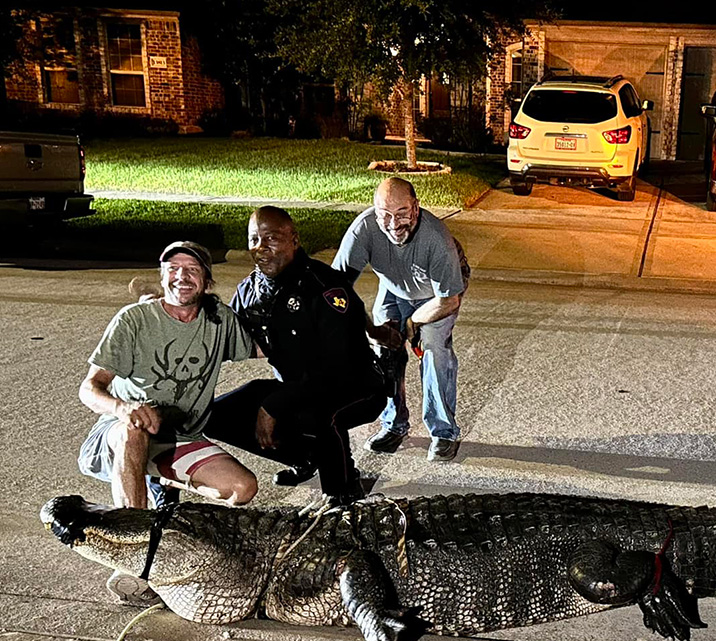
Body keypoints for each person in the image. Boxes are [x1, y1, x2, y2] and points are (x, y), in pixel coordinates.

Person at [205, 206, 385, 506]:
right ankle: (307, 456)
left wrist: (273, 405)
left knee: (319, 414)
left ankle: (343, 488)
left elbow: (336, 370)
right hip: (295, 388)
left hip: (355, 386)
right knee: (213, 416)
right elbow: (224, 340)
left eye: (271, 238)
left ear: (294, 240)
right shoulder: (250, 290)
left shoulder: (324, 286)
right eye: (253, 240)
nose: (261, 248)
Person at [78, 241, 258, 511]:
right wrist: (123, 408)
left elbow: (265, 346)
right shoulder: (133, 320)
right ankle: (133, 527)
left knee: (242, 488)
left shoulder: (220, 320)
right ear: (162, 277)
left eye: (192, 269)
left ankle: (162, 479)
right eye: (173, 269)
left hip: (178, 437)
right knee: (134, 432)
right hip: (120, 435)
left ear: (207, 280)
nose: (182, 277)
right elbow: (89, 388)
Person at [332, 176, 467, 462]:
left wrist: (410, 325)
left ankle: (444, 432)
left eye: (402, 213)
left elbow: (449, 299)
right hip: (394, 287)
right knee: (385, 353)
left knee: (433, 349)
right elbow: (335, 287)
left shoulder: (437, 240)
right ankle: (394, 425)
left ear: (416, 208)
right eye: (385, 215)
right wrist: (369, 328)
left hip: (436, 297)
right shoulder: (365, 228)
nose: (393, 224)